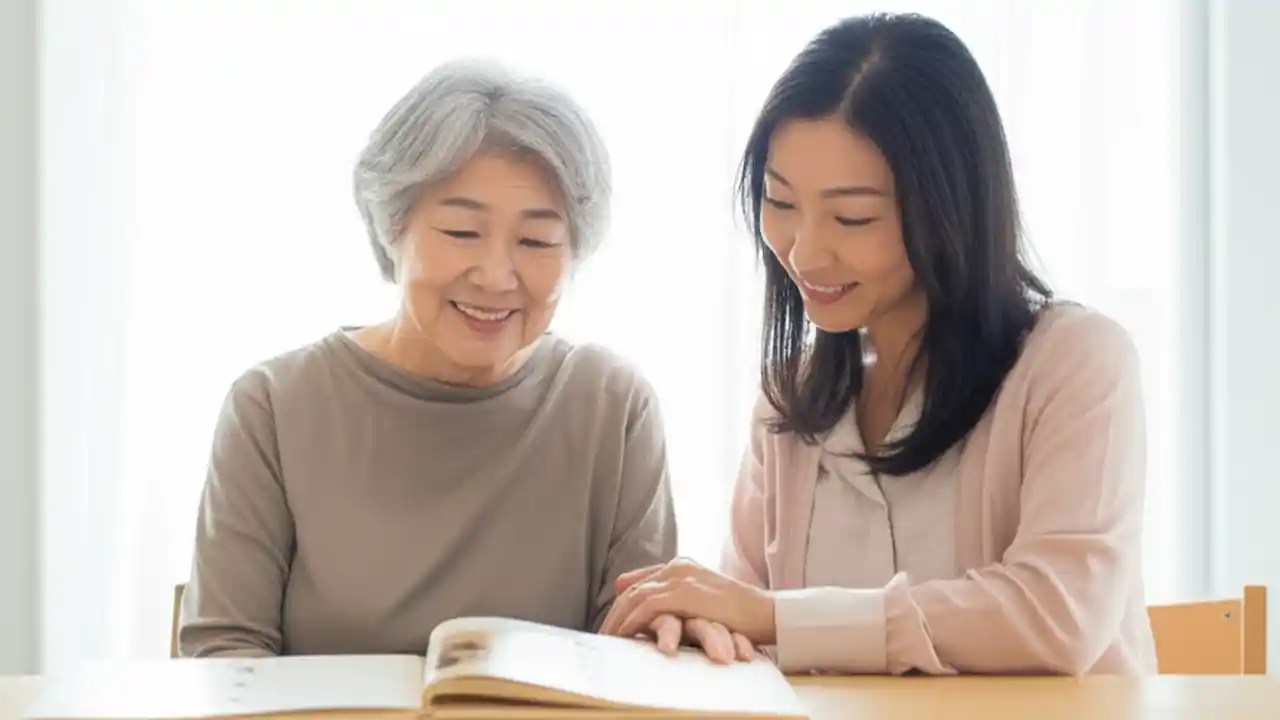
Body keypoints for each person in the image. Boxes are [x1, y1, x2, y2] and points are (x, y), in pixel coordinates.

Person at [600, 13, 1156, 675]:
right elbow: (741, 623)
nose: (804, 252)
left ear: (950, 207)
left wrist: (772, 615)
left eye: (852, 217)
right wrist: (696, 625)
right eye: (780, 202)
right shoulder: (793, 398)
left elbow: (1057, 617)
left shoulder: (1075, 362)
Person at [178, 60, 678, 657]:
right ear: (392, 228)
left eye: (536, 242)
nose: (496, 277)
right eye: (461, 233)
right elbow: (225, 654)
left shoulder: (611, 406)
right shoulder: (274, 407)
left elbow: (645, 653)